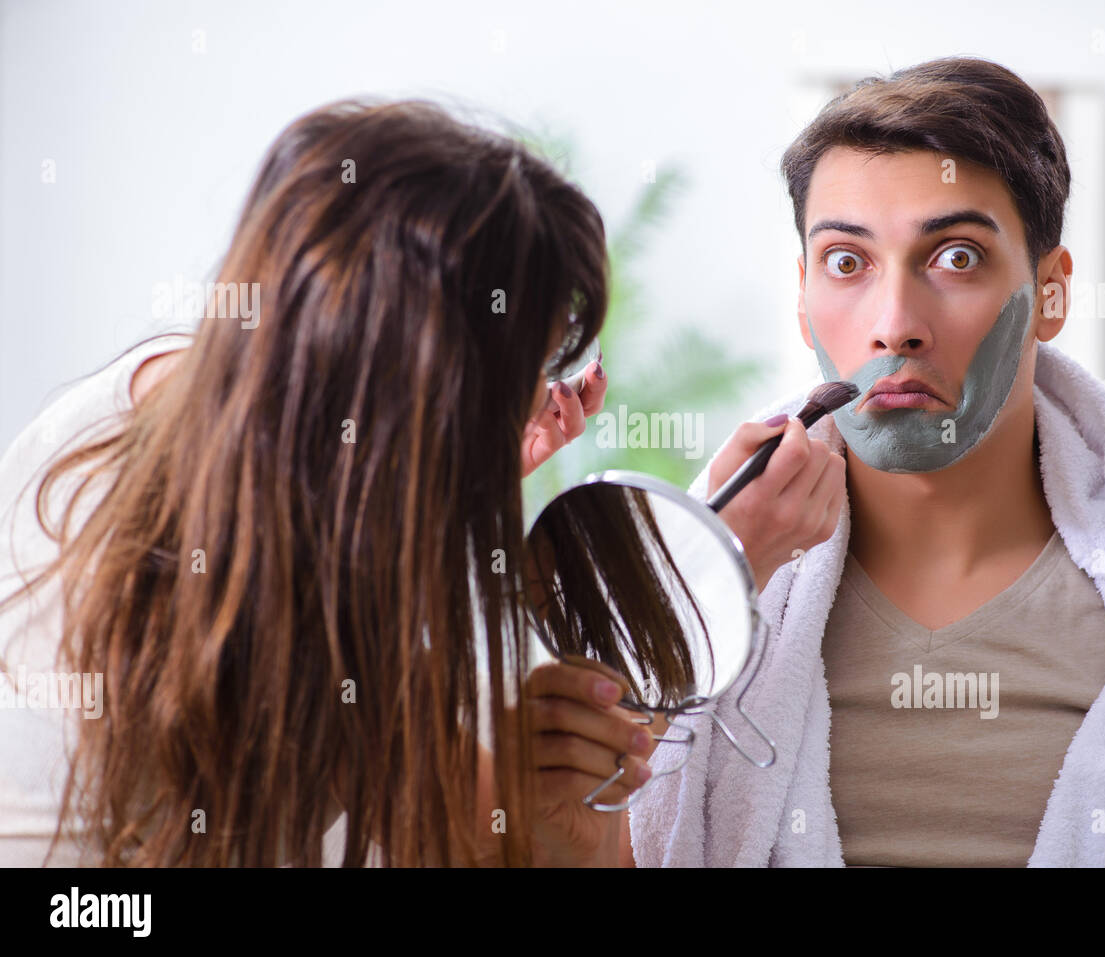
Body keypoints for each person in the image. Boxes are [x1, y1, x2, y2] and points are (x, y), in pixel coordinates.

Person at [623, 57, 1105, 867]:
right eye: (847, 261)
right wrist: (707, 583)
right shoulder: (676, 601)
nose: (895, 324)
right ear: (802, 291)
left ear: (1051, 292)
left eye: (956, 257)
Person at [0, 97, 659, 866]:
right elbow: (435, 804)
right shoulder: (243, 564)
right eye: (520, 376)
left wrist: (450, 478)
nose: (536, 399)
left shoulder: (211, 387)